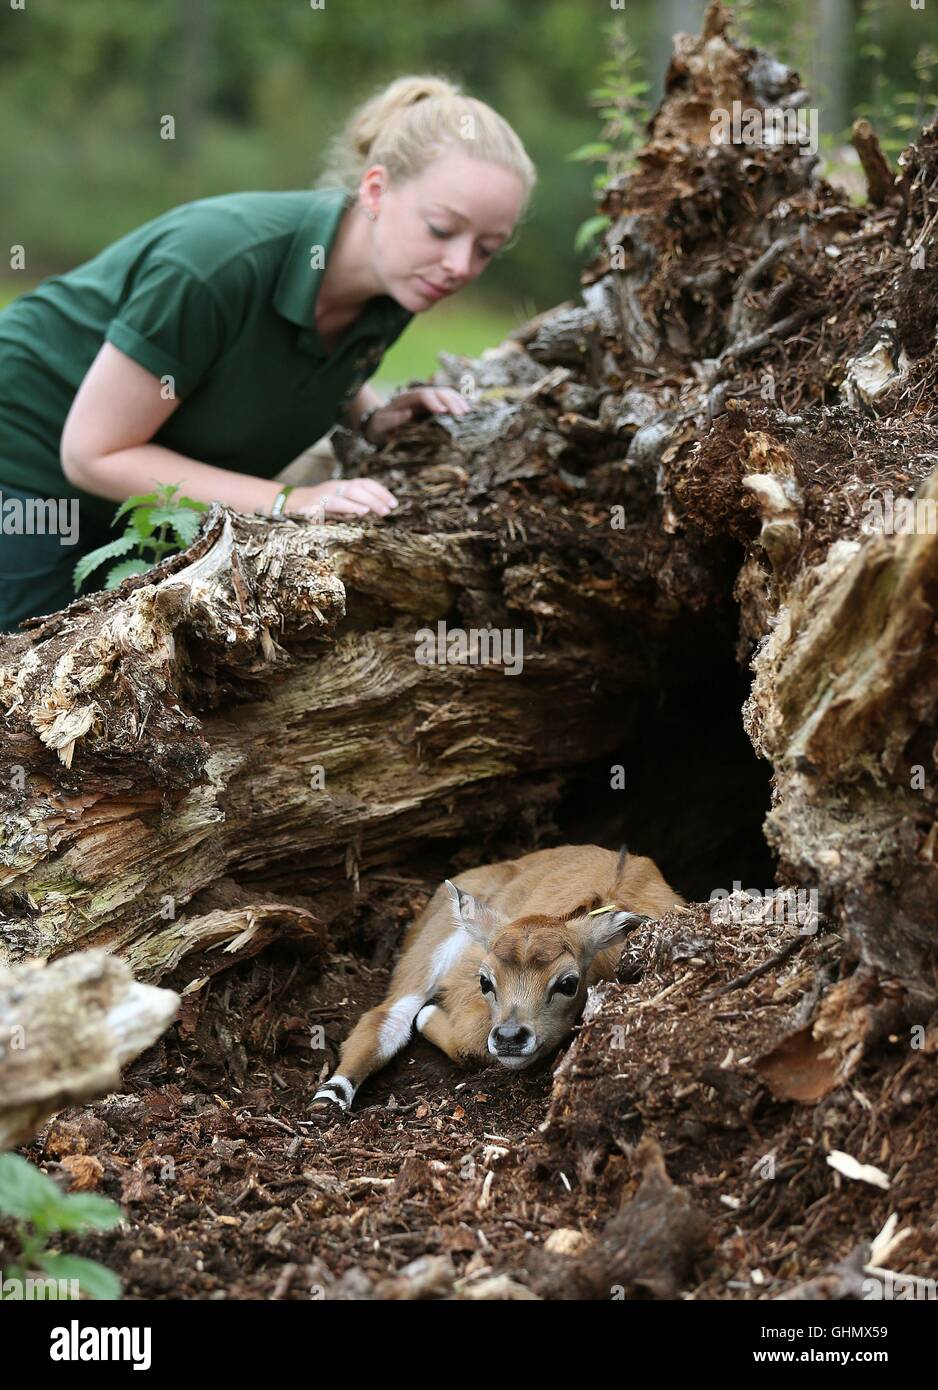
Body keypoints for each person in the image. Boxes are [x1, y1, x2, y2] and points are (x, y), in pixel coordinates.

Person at [0, 74, 536, 632]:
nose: (460, 266)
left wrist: (371, 416)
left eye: (487, 249)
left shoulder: (399, 279)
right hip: (29, 466)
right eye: (442, 228)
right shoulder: (219, 263)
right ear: (376, 191)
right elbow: (93, 454)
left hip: (147, 497)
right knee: (28, 691)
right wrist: (290, 501)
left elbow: (303, 351)